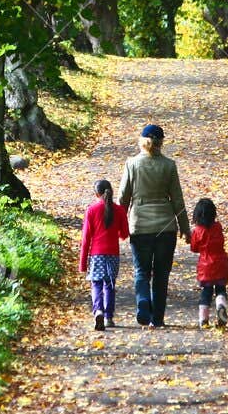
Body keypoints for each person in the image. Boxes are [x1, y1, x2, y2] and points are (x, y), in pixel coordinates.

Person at [118, 123, 188, 327]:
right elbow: (177, 199)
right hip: (166, 226)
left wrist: (119, 225)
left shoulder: (131, 164)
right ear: (161, 143)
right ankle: (157, 318)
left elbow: (123, 198)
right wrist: (185, 227)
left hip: (140, 225)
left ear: (142, 142)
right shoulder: (169, 165)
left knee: (141, 271)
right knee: (161, 274)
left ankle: (142, 301)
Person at [78, 178, 129, 332]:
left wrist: (82, 263)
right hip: (113, 254)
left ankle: (98, 310)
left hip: (96, 254)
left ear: (96, 194)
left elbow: (86, 238)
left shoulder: (92, 210)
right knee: (110, 284)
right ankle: (109, 317)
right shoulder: (119, 210)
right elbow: (125, 234)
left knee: (96, 284)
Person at [189, 198, 228, 328]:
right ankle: (221, 305)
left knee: (206, 292)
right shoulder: (218, 227)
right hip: (220, 264)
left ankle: (204, 319)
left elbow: (194, 248)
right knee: (221, 289)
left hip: (205, 267)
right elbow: (221, 241)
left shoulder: (198, 231)